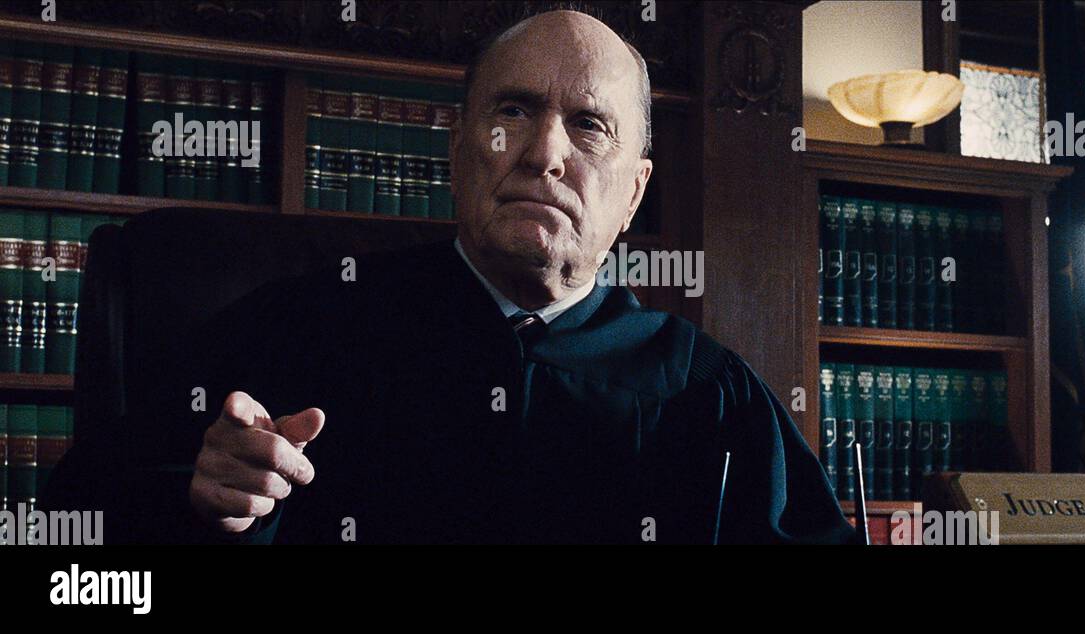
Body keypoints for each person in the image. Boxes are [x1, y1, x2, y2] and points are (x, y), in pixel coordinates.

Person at [139, 10, 853, 544]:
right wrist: (212, 508)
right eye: (514, 110)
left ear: (635, 192)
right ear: (457, 154)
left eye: (589, 125)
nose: (544, 154)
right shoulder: (296, 329)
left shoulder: (709, 394)